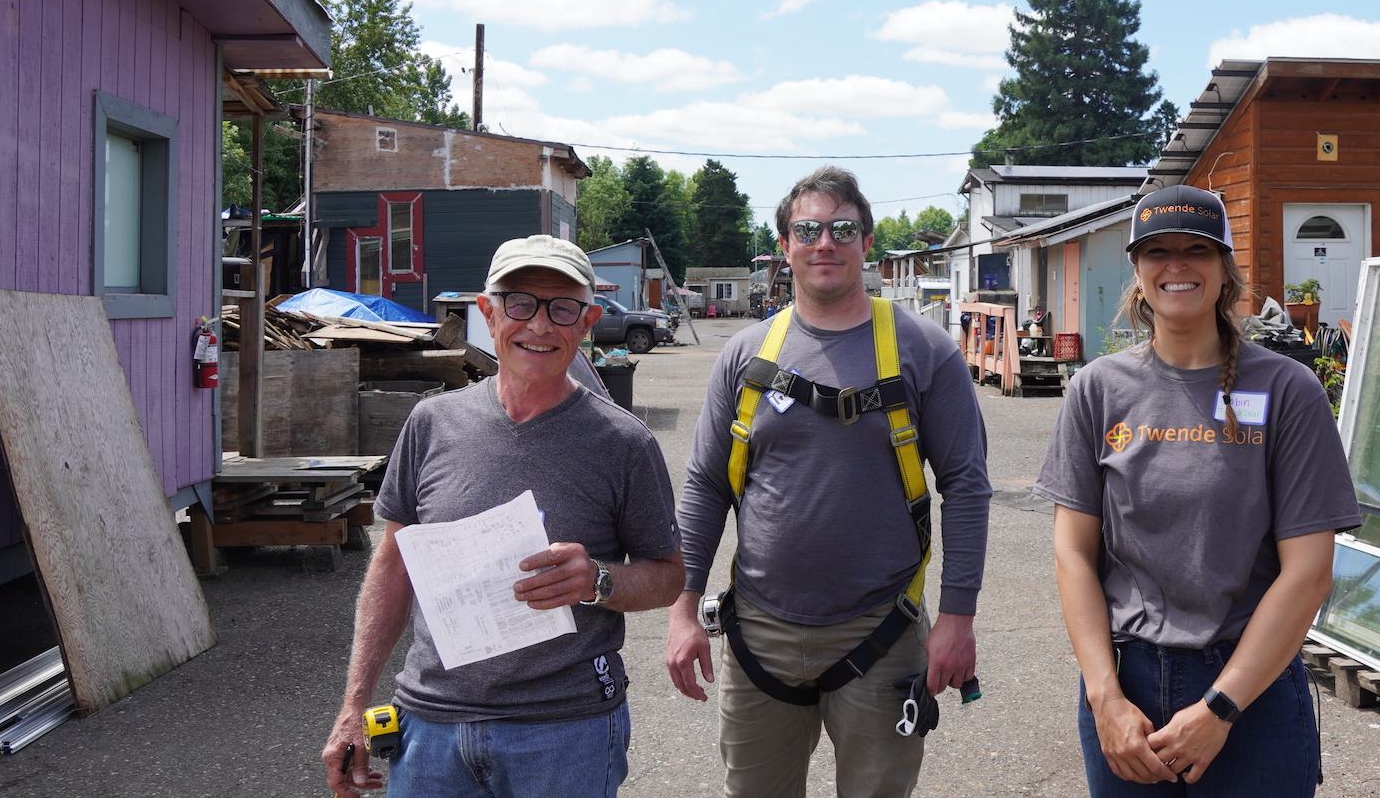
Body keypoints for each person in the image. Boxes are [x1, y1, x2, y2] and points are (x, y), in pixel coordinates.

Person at [666, 165, 993, 797]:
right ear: (784, 246)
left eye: (843, 229)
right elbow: (706, 485)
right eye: (808, 230)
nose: (825, 243)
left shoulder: (926, 351)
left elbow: (967, 486)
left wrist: (958, 616)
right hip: (758, 631)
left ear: (866, 243)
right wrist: (683, 609)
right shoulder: (746, 355)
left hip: (882, 630)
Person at [322, 236, 684, 798]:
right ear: (487, 313)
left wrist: (598, 580)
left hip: (567, 731)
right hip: (431, 727)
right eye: (519, 303)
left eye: (562, 308)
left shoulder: (624, 443)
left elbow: (668, 575)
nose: (539, 325)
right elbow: (393, 567)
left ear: (586, 323)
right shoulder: (431, 424)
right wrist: (353, 706)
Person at [1035, 184, 1360, 796]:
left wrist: (1220, 708)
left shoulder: (1288, 390)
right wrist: (1105, 697)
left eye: (1197, 250)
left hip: (1252, 691)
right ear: (1137, 270)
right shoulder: (1097, 389)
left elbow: (1309, 572)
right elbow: (1072, 553)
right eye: (1158, 251)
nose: (1177, 266)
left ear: (1225, 268)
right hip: (1126, 688)